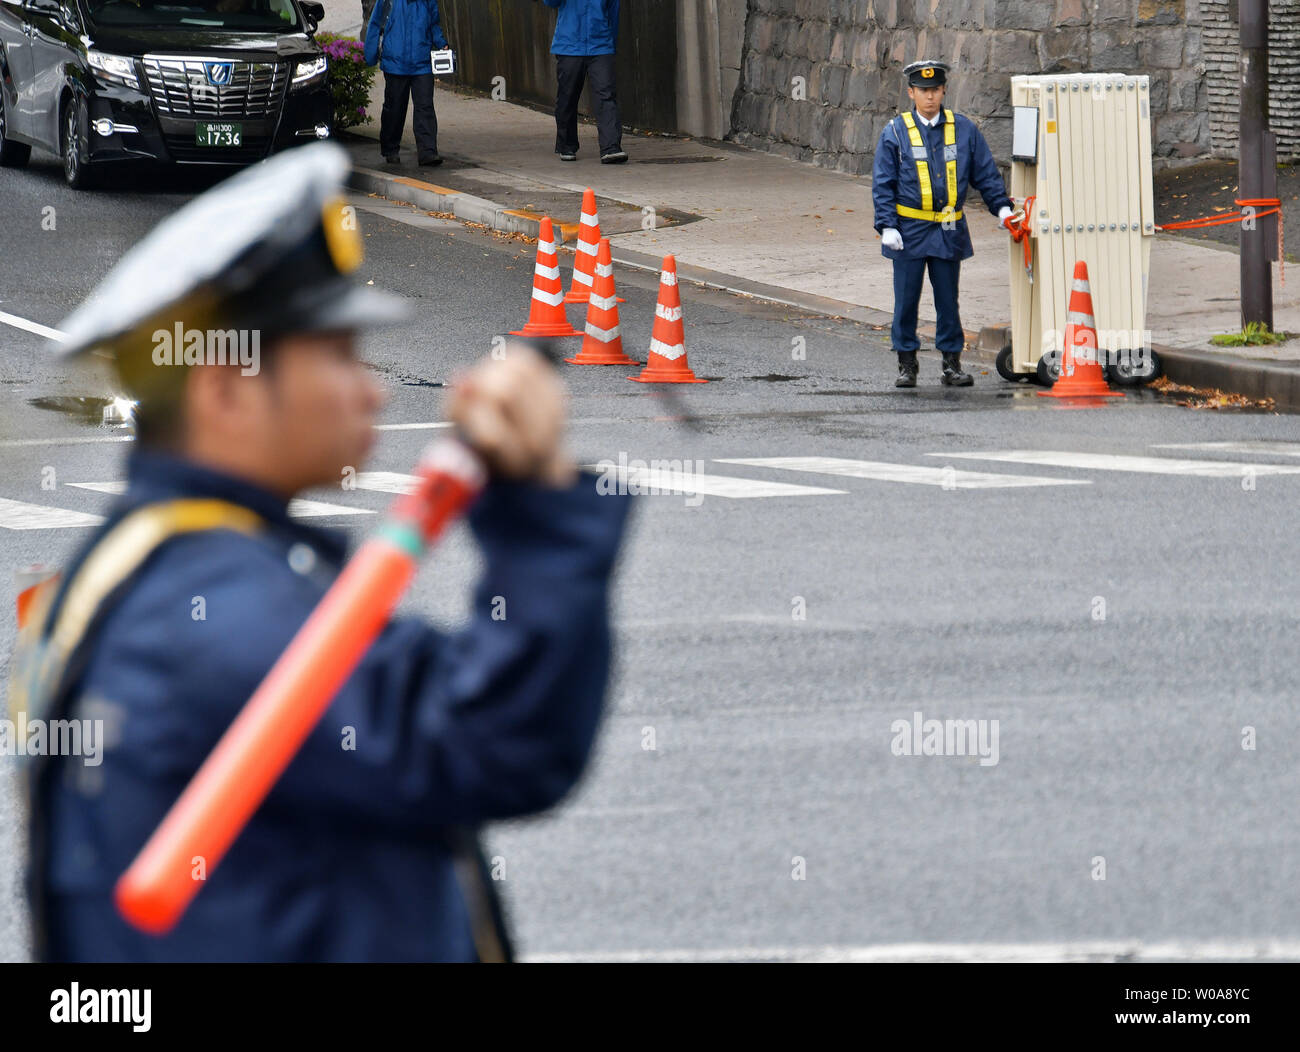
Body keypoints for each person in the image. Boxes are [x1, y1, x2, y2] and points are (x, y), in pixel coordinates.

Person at [15, 141, 633, 962]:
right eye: (340, 355)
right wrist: (540, 511)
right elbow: (497, 741)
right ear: (226, 388)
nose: (372, 388)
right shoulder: (220, 607)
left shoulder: (154, 568)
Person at [872, 60, 1015, 387]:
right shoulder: (895, 131)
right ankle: (907, 365)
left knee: (948, 300)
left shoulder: (963, 129)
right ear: (911, 92)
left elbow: (985, 174)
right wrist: (887, 225)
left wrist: (1003, 209)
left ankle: (951, 364)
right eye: (923, 91)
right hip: (909, 230)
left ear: (944, 90)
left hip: (948, 230)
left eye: (935, 90)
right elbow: (883, 182)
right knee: (906, 300)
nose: (930, 97)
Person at [363, 0, 448, 166]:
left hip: (422, 63)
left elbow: (433, 24)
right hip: (395, 64)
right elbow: (375, 24)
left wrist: (441, 43)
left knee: (425, 107)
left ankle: (428, 152)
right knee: (394, 109)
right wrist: (370, 54)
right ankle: (390, 149)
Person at [543, 0, 627, 164]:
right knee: (567, 96)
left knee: (606, 94)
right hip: (569, 45)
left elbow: (613, 11)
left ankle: (611, 148)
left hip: (601, 46)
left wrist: (611, 44)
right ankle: (566, 145)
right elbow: (550, 2)